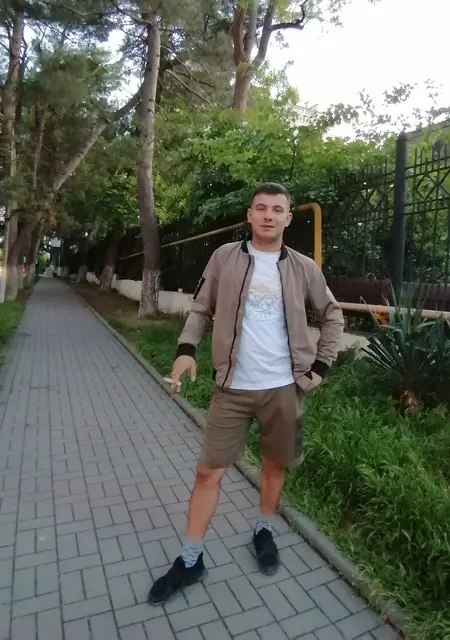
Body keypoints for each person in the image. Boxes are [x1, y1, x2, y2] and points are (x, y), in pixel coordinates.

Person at [148, 182, 344, 605]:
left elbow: (333, 315)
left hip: (284, 389)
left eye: (277, 209)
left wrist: (321, 368)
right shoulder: (224, 257)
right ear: (250, 215)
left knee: (274, 465)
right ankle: (190, 558)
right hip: (231, 388)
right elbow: (201, 309)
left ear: (288, 218)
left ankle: (264, 529)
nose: (269, 215)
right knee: (207, 473)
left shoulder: (303, 267)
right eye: (261, 208)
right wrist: (186, 351)